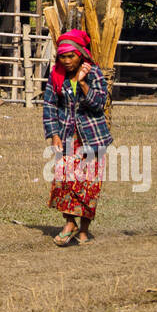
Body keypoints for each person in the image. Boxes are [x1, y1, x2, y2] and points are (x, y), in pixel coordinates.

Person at [42, 28, 111, 246]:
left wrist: (82, 83)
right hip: (67, 137)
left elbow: (99, 104)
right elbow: (49, 105)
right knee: (65, 182)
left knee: (88, 185)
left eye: (71, 56)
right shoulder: (56, 76)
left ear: (80, 54)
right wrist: (53, 135)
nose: (67, 61)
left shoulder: (95, 74)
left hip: (92, 138)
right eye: (63, 56)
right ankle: (69, 224)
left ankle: (83, 230)